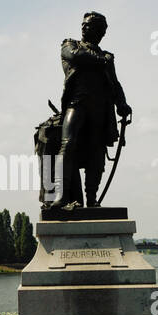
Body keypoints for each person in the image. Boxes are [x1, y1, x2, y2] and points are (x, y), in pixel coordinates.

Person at [56, 11, 131, 208]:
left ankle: (91, 199)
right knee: (68, 144)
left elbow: (115, 84)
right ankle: (61, 196)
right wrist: (102, 61)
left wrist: (122, 103)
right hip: (77, 105)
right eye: (83, 24)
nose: (83, 27)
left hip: (100, 112)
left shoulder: (107, 58)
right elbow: (76, 56)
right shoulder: (70, 44)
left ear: (99, 31)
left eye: (88, 25)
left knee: (96, 155)